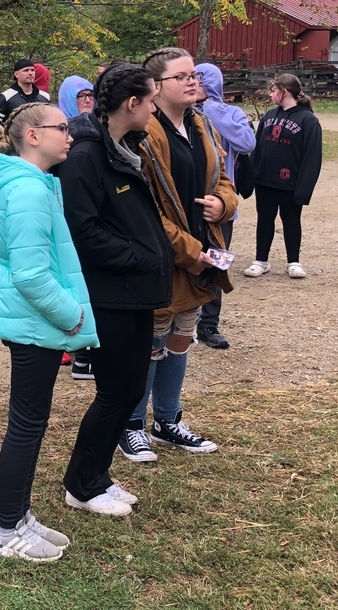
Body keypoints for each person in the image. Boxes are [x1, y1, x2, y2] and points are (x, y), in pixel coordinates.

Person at [0, 102, 98, 561]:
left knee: (32, 422)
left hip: (32, 319)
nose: (70, 135)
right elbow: (30, 274)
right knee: (26, 426)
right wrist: (72, 316)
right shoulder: (27, 190)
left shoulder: (38, 183)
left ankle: (18, 515)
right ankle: (5, 530)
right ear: (31, 136)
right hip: (34, 321)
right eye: (61, 128)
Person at [58, 64, 174, 507]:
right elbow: (82, 230)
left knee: (128, 390)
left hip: (135, 291)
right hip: (111, 293)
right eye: (150, 101)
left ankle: (97, 476)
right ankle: (81, 485)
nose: (153, 109)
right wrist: (141, 257)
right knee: (115, 392)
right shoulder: (88, 155)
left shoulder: (126, 147)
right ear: (132, 104)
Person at [127, 47, 236, 457]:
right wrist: (192, 251)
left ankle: (168, 421)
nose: (193, 81)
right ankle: (132, 423)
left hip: (202, 253)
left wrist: (224, 204)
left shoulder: (201, 124)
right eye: (182, 76)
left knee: (181, 337)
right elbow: (147, 209)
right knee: (151, 341)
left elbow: (224, 176)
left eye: (194, 75)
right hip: (164, 257)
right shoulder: (144, 134)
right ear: (156, 87)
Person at [194, 64, 256, 348]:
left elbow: (246, 143)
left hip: (222, 202)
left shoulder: (230, 113)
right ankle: (183, 322)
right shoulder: (179, 113)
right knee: (186, 260)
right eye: (189, 78)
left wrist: (212, 108)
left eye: (199, 79)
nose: (193, 83)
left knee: (217, 262)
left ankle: (209, 324)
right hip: (185, 201)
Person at [244, 73, 323, 280]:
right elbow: (257, 148)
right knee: (264, 219)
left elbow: (312, 158)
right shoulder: (269, 116)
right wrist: (250, 177)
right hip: (265, 181)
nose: (270, 95)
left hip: (290, 183)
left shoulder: (308, 120)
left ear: (284, 92)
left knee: (291, 220)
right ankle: (261, 260)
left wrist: (304, 189)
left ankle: (293, 261)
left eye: (273, 91)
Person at [56, 73, 98, 380]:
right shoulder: (55, 128)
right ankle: (66, 344)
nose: (87, 100)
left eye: (90, 95)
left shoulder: (101, 128)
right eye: (80, 95)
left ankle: (84, 350)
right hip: (61, 213)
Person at [0, 59, 48, 131]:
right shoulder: (6, 96)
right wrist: (9, 134)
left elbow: (49, 121)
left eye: (32, 70)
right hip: (15, 141)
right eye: (26, 70)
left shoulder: (44, 97)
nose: (30, 73)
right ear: (16, 74)